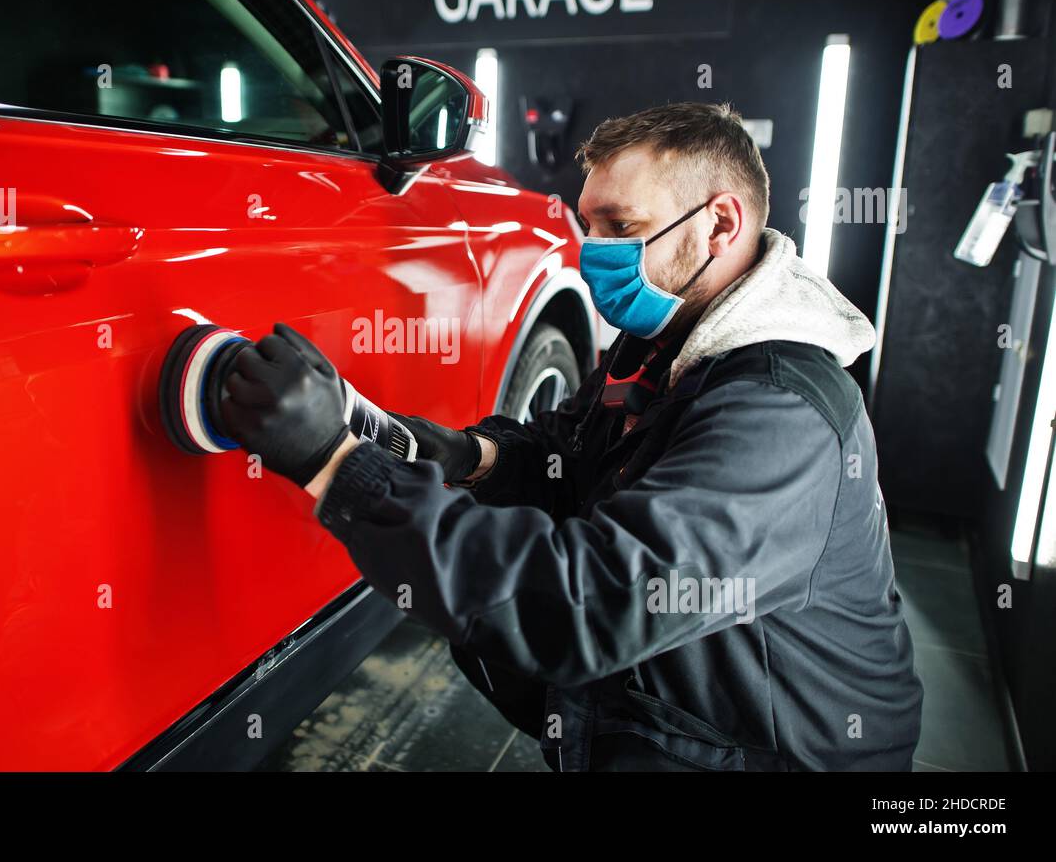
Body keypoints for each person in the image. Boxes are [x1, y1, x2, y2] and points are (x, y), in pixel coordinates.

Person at [218, 101, 923, 771]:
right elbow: (566, 451)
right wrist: (467, 455)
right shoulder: (660, 340)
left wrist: (337, 464)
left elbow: (592, 601)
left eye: (620, 226)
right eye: (589, 225)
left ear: (719, 225)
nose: (594, 253)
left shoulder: (778, 411)